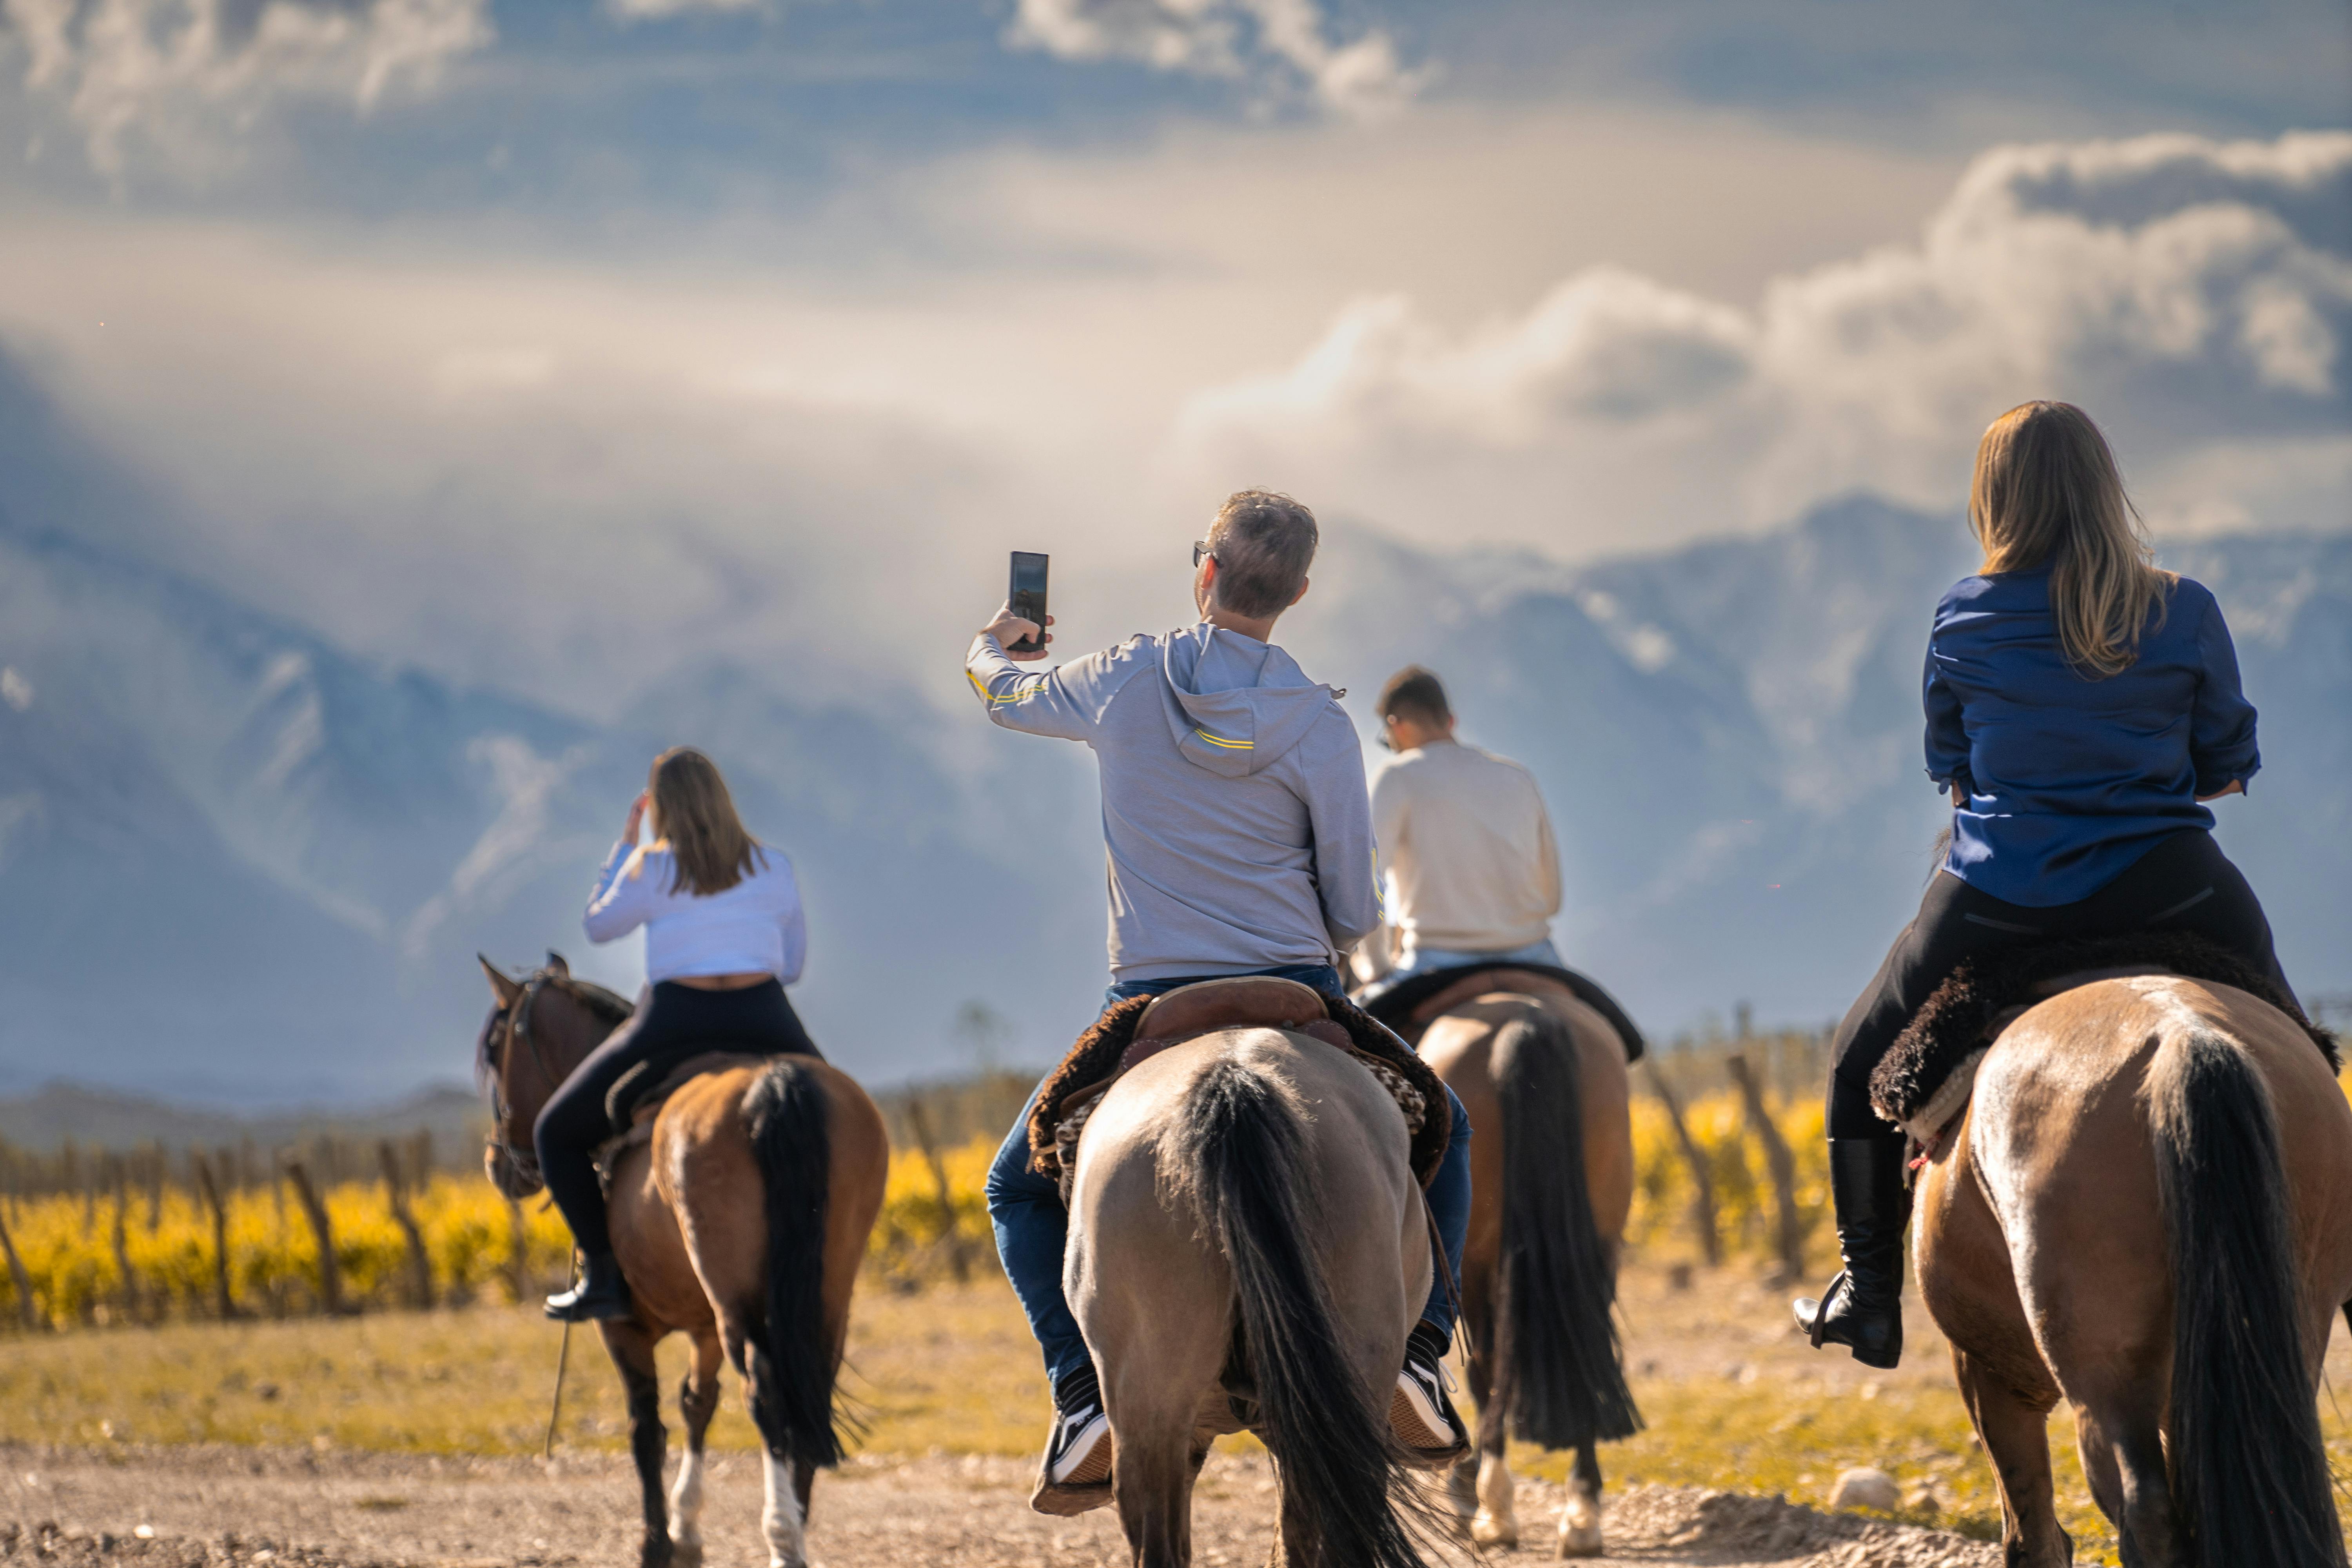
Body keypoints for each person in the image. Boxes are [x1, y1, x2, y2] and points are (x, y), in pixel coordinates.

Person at [966, 489, 1474, 1501]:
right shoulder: (1326, 730)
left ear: (1203, 570)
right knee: (1446, 1132)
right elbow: (1351, 905)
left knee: (1015, 1185)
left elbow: (1002, 695)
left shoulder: (1116, 681)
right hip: (1295, 988)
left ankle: (1080, 1399)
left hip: (1149, 1000)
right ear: (1296, 595)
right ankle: (1417, 1357)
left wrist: (997, 644)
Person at [1794, 401, 2287, 1370]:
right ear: (2106, 486)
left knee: (1858, 1068)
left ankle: (1871, 1295)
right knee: (2298, 1046)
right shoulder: (2181, 606)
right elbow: (2227, 761)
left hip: (2003, 890)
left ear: (1995, 497)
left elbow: (1953, 767)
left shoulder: (1963, 614)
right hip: (2172, 883)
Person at [536, 746, 822, 1322]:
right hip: (764, 1011)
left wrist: (625, 846)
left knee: (554, 1133)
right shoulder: (775, 867)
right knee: (833, 1117)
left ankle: (603, 1276)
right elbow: (791, 968)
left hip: (673, 1017)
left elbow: (597, 927)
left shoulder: (649, 866)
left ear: (659, 807)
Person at [1356, 665, 1563, 997]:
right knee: (1622, 1037)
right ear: (1450, 721)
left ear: (1397, 727)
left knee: (1349, 1038)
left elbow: (1366, 880)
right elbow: (1552, 896)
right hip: (1535, 954)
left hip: (1436, 959)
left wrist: (1377, 965)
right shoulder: (1518, 777)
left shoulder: (1397, 776)